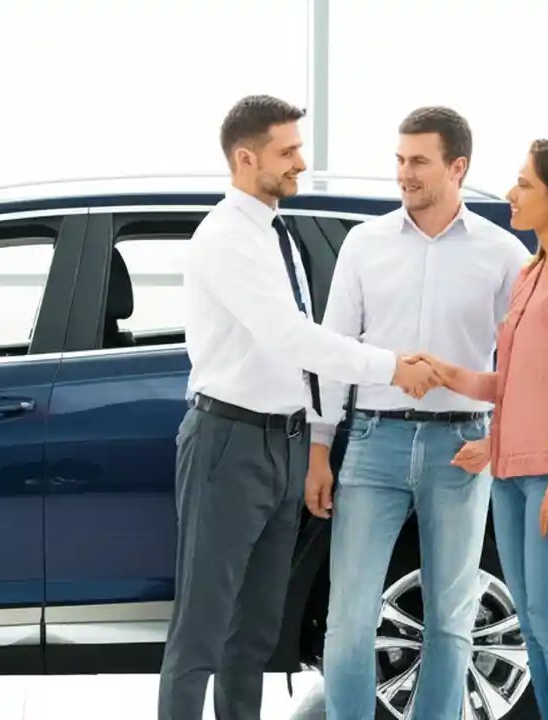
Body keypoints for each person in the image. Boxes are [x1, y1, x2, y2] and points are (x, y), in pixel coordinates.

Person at [157, 95, 439, 720]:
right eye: (287, 151)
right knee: (201, 627)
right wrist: (392, 367)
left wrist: (312, 441)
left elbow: (302, 357)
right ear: (245, 157)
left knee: (256, 630)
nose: (300, 163)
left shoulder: (274, 233)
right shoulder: (227, 238)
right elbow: (292, 338)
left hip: (281, 445)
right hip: (229, 442)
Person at [304, 106, 530, 719]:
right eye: (400, 160)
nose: (404, 173)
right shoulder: (364, 244)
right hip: (372, 440)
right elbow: (333, 352)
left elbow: (526, 365)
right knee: (349, 616)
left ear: (458, 167)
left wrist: (498, 437)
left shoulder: (503, 255)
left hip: (461, 446)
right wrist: (320, 449)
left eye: (419, 162)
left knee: (451, 618)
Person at [423, 138, 548, 720]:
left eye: (525, 183)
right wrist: (451, 379)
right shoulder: (533, 272)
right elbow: (515, 382)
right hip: (514, 473)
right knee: (533, 623)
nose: (511, 193)